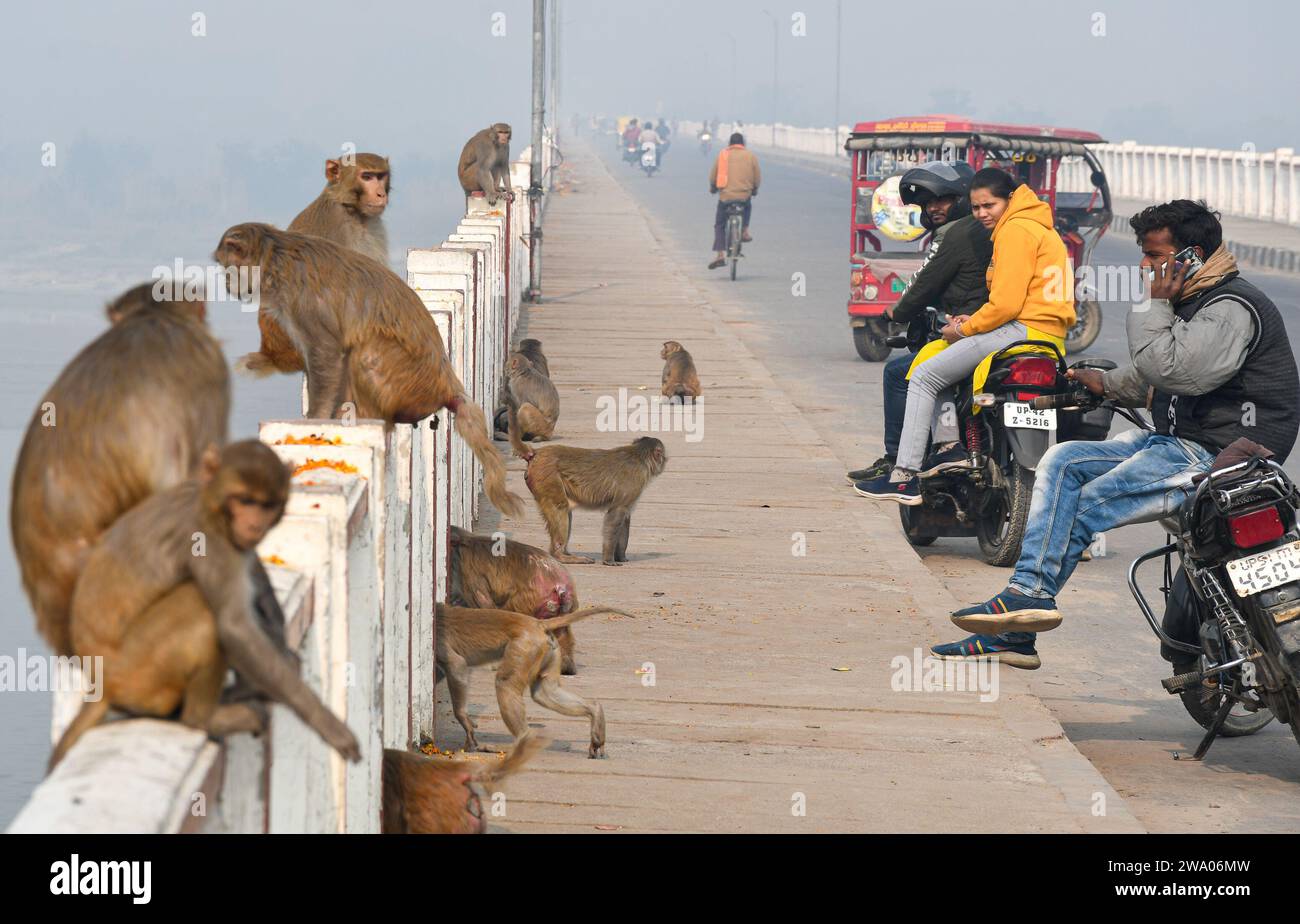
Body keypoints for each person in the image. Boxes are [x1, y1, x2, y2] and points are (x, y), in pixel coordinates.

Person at [931, 200, 1300, 669]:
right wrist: (1104, 383)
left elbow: (1174, 368)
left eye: (1152, 255)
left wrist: (1155, 302)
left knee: (1086, 506)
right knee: (1063, 461)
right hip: (1178, 442)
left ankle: (1021, 619)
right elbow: (1160, 374)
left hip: (1222, 453)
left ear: (1191, 256)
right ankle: (1025, 606)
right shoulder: (1198, 300)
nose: (1144, 265)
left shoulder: (1229, 307)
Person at [854, 168, 1076, 505]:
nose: (983, 214)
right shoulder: (1040, 227)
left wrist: (962, 329)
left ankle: (904, 476)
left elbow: (1005, 304)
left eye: (990, 205)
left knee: (925, 375)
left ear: (1010, 199)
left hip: (1020, 330)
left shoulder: (1014, 231)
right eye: (976, 208)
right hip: (1049, 335)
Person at [846, 161, 993, 484]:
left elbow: (923, 284)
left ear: (964, 200)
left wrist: (893, 315)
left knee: (902, 373)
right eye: (928, 203)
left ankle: (901, 465)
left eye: (943, 200)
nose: (934, 208)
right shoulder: (989, 230)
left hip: (973, 328)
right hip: (1007, 327)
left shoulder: (956, 234)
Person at [708, 132, 761, 269]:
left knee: (719, 224)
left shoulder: (723, 154)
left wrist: (713, 187)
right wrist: (754, 189)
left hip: (725, 197)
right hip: (744, 196)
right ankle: (744, 231)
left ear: (729, 144)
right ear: (743, 144)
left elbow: (713, 175)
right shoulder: (751, 156)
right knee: (748, 206)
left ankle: (720, 254)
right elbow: (757, 177)